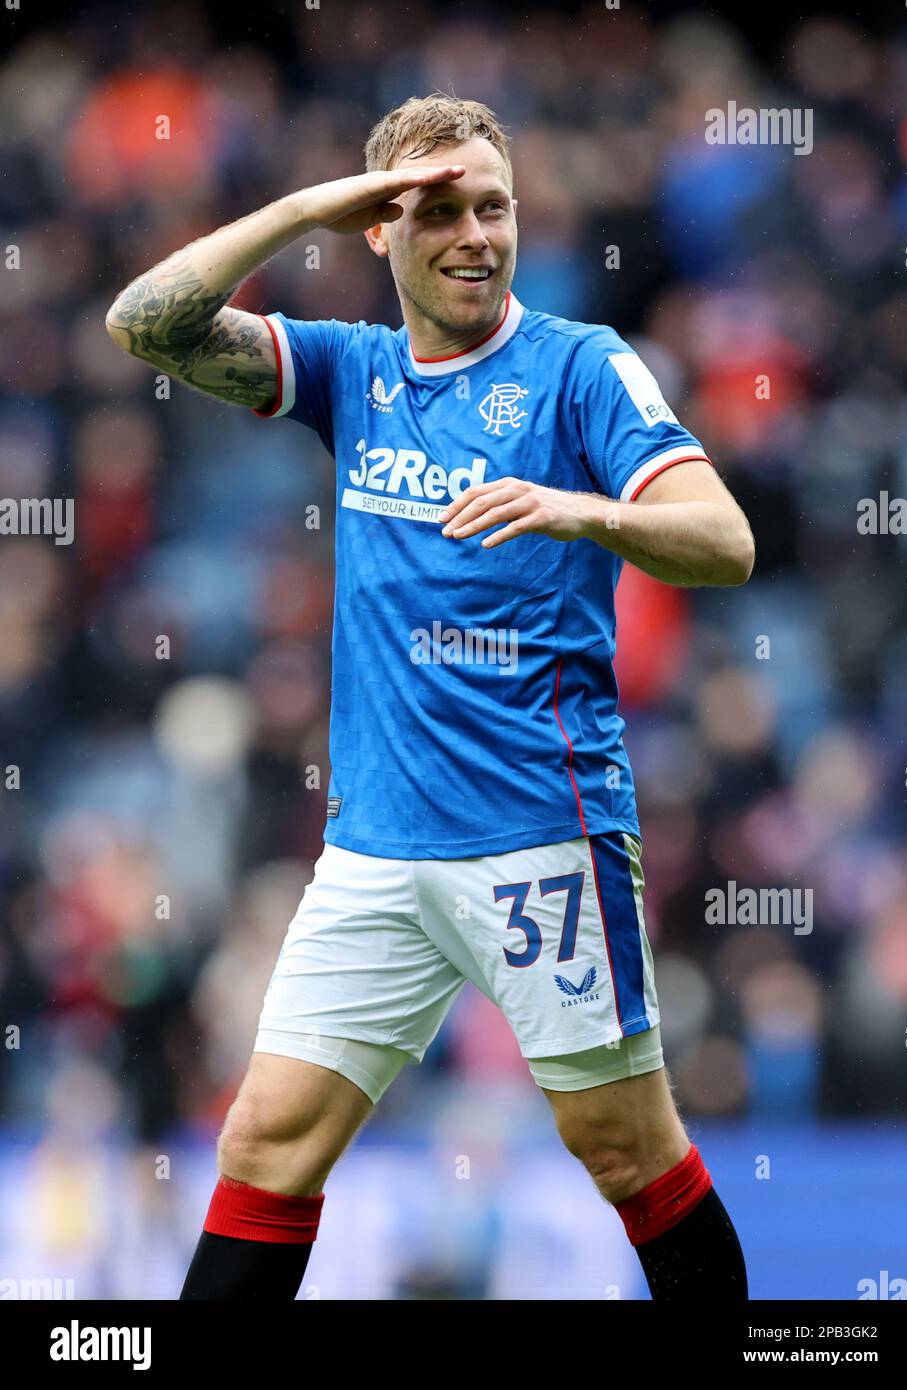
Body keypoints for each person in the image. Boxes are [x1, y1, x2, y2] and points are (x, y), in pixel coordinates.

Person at [106, 92, 754, 1302]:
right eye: (438, 210)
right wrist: (303, 207)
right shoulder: (350, 373)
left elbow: (724, 540)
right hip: (373, 854)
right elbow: (143, 324)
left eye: (493, 206)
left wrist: (582, 509)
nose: (474, 235)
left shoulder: (579, 367)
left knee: (624, 1151)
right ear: (378, 229)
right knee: (265, 1144)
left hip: (542, 841)